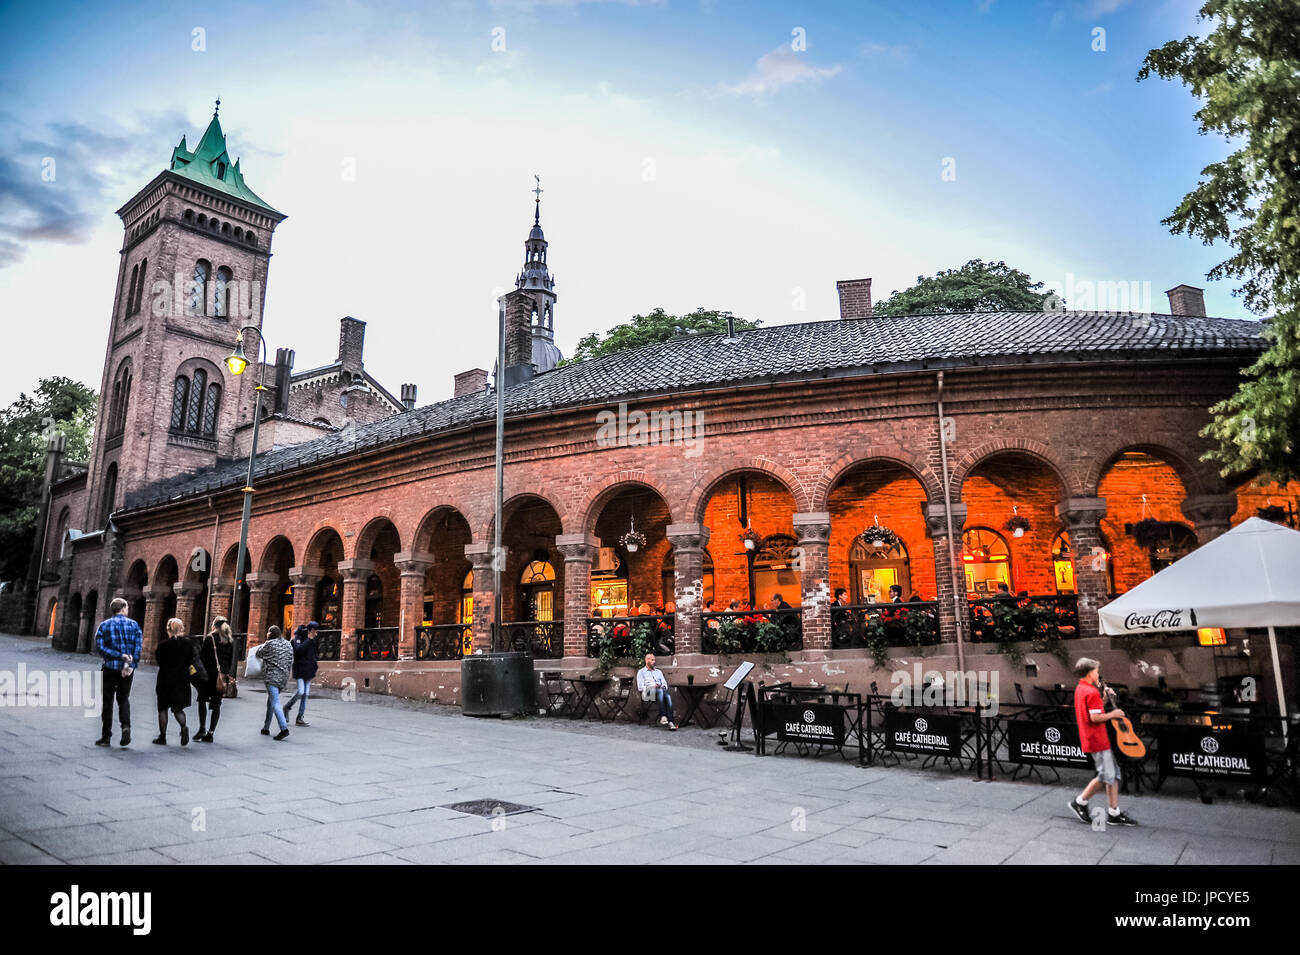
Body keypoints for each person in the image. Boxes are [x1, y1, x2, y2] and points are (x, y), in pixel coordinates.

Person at [1068, 658, 1138, 827]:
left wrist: (1105, 699)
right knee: (1106, 774)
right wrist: (1114, 714)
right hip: (1096, 738)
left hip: (1095, 738)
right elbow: (1095, 717)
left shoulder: (1082, 688)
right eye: (1097, 671)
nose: (1098, 674)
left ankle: (1114, 812)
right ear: (1090, 672)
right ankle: (1080, 802)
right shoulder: (1091, 691)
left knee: (1112, 773)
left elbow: (1095, 709)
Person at [94, 597, 142, 747]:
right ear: (123, 608)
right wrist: (130, 665)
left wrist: (118, 655)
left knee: (107, 701)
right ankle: (126, 727)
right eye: (126, 608)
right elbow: (138, 647)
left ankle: (106, 736)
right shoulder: (134, 625)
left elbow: (100, 647)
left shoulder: (104, 625)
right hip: (126, 670)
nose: (127, 610)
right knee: (123, 699)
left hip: (109, 668)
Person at [153, 618, 195, 746]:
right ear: (182, 628)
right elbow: (191, 661)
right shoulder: (188, 644)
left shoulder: (163, 645)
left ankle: (163, 737)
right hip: (182, 679)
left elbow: (159, 661)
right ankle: (183, 726)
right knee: (177, 709)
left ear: (168, 629)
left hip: (165, 678)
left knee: (163, 708)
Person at [195, 617, 233, 742]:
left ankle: (202, 728)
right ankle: (211, 733)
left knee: (202, 700)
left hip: (208, 675)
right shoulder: (229, 640)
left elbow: (202, 658)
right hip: (221, 676)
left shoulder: (210, 638)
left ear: (214, 625)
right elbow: (231, 659)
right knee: (217, 704)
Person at [255, 625, 294, 740]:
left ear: (271, 633)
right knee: (271, 701)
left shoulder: (269, 644)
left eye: (268, 632)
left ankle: (284, 728)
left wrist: (265, 642)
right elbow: (291, 660)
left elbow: (258, 653)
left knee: (275, 702)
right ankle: (266, 727)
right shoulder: (288, 644)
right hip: (283, 677)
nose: (267, 634)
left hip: (272, 677)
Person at [283, 621, 320, 727]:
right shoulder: (299, 637)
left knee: (306, 694)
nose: (317, 633)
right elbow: (298, 650)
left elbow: (316, 652)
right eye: (316, 630)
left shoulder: (314, 639)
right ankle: (287, 707)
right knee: (300, 692)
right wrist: (309, 639)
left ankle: (300, 717)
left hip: (309, 670)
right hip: (300, 669)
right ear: (312, 630)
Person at [636, 652, 676, 730]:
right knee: (660, 691)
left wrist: (661, 686)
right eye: (652, 660)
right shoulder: (641, 672)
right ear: (647, 660)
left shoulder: (658, 672)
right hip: (647, 694)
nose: (654, 662)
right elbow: (640, 688)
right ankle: (664, 716)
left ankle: (670, 721)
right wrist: (653, 686)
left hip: (659, 692)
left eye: (654, 660)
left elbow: (665, 684)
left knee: (667, 696)